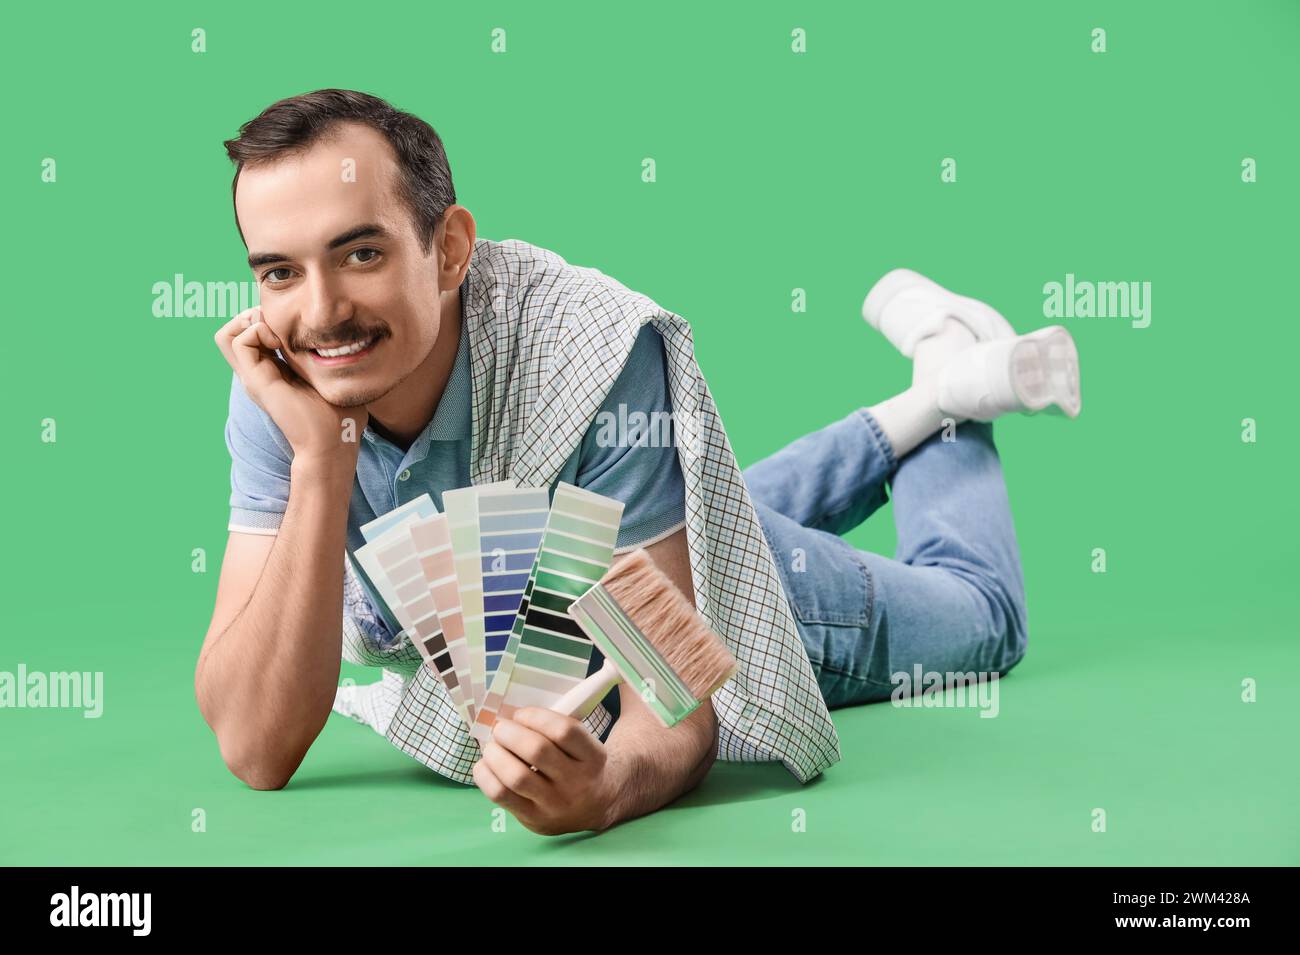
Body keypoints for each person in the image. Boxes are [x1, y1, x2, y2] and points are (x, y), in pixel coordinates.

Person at [196, 88, 1079, 836]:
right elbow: (256, 748)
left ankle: (954, 389)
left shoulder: (591, 350)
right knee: (705, 501)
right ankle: (927, 389)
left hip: (748, 595)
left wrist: (604, 791)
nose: (322, 315)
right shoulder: (288, 383)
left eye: (361, 253)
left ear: (451, 248)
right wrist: (323, 458)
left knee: (984, 619)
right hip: (621, 550)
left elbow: (676, 706)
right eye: (279, 272)